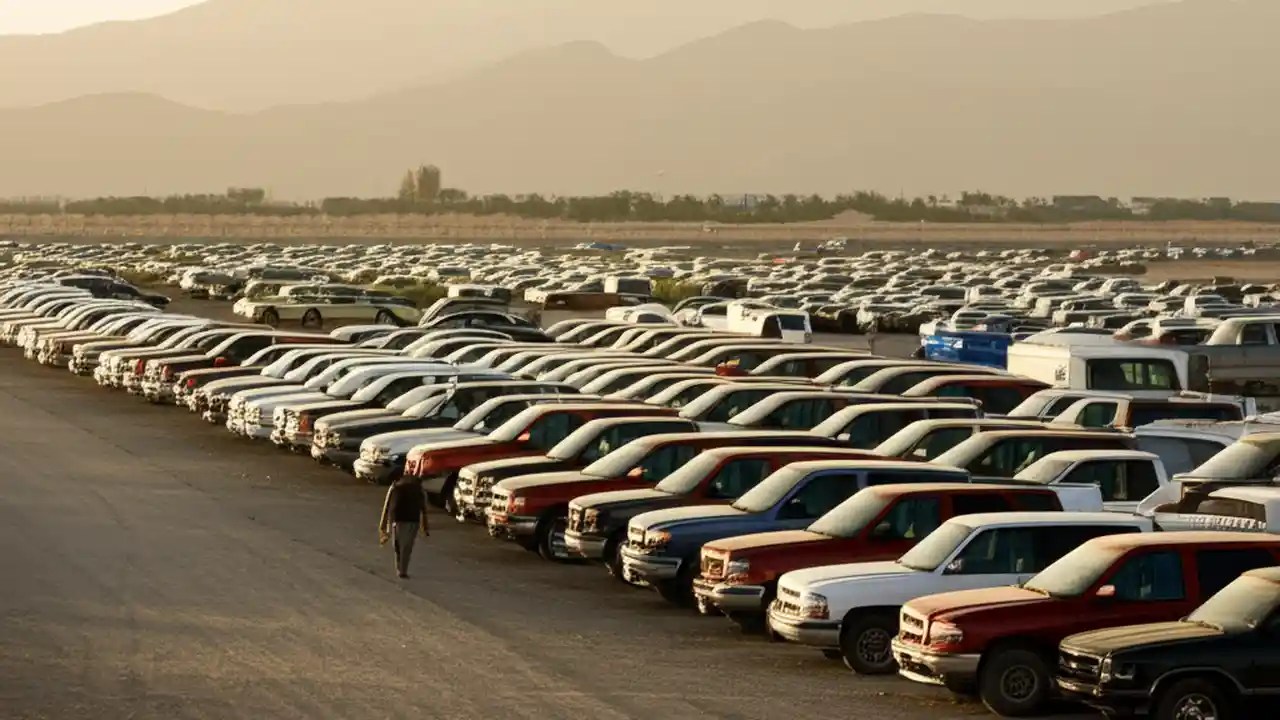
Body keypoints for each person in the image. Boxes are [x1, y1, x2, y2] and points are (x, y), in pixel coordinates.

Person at [378, 476, 429, 578]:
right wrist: (425, 526)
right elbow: (424, 509)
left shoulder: (396, 487)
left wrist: (382, 527)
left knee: (398, 545)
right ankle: (402, 569)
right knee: (406, 546)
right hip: (409, 520)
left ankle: (401, 569)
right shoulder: (418, 490)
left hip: (399, 519)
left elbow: (386, 507)